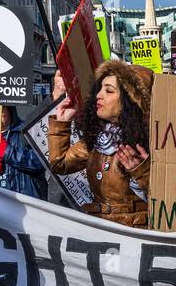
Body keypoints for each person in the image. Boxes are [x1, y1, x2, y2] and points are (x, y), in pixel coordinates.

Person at [49, 60, 154, 227]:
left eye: (109, 91)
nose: (99, 95)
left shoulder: (154, 142)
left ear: (130, 101)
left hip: (134, 236)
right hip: (100, 233)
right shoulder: (98, 139)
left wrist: (141, 170)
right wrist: (61, 123)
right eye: (100, 89)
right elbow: (59, 164)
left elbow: (167, 200)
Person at [0, 105, 47, 199]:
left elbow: (41, 163)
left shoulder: (26, 131)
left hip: (24, 201)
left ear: (10, 110)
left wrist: (8, 152)